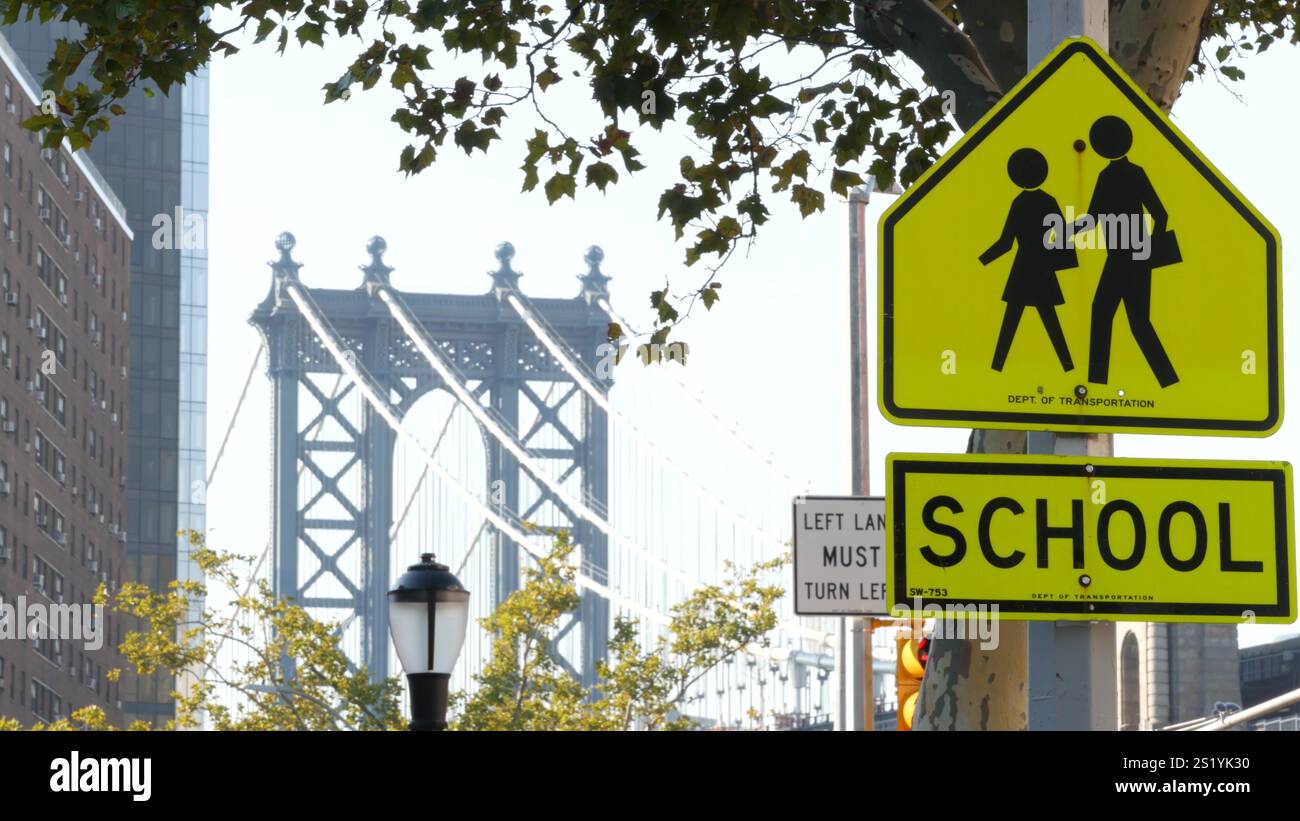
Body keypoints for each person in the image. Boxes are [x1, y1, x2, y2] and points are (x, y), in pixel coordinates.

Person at [1079, 115, 1179, 387]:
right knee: (1127, 319)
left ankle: (1101, 383)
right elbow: (1160, 215)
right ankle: (1163, 380)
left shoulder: (1124, 174)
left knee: (1121, 317)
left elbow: (1160, 214)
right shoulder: (1118, 174)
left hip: (1129, 258)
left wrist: (1149, 251)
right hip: (1126, 258)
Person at [979, 147, 1076, 373]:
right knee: (1049, 320)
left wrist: (982, 261)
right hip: (1042, 267)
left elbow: (1005, 243)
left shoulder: (1019, 203)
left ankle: (997, 367)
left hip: (1023, 268)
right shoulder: (1048, 201)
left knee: (1011, 321)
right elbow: (1063, 234)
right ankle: (1068, 367)